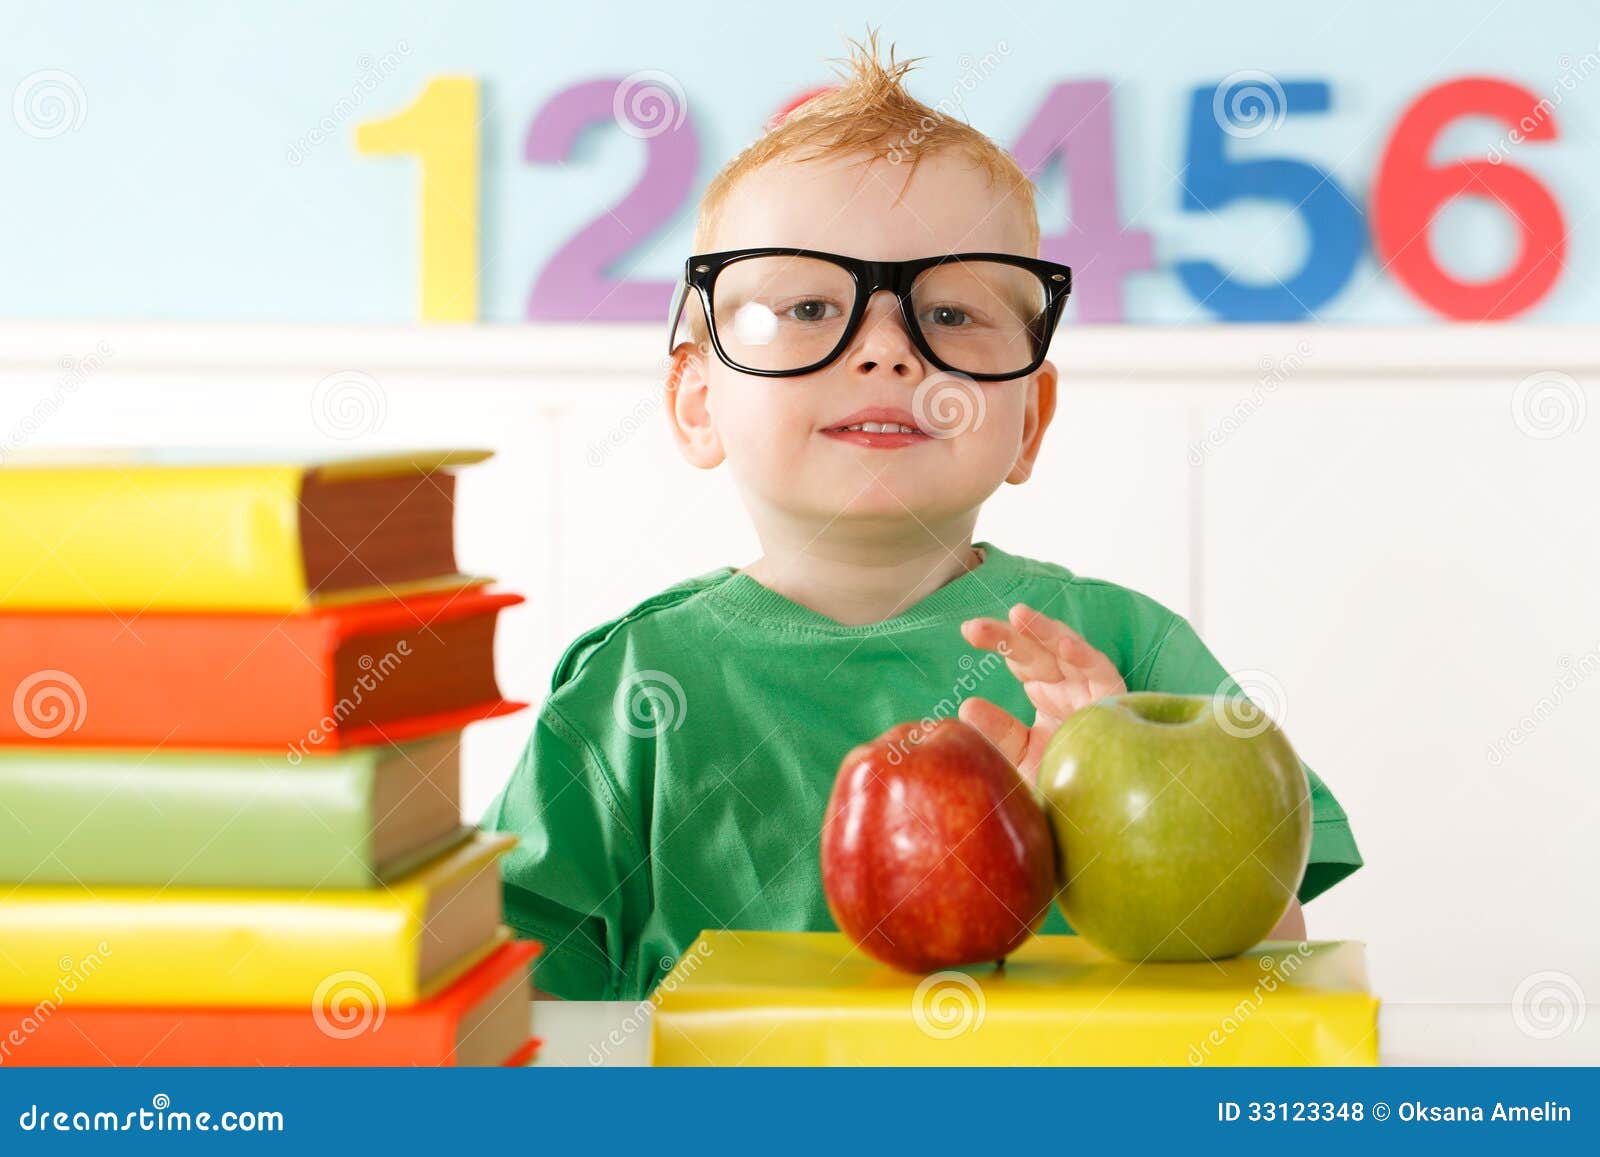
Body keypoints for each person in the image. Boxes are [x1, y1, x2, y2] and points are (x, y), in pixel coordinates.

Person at [482, 29, 1361, 1001]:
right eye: (809, 308)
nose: (887, 350)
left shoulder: (1122, 652)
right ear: (697, 403)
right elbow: (515, 1004)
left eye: (948, 314)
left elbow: (1265, 953)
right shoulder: (632, 687)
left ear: (1029, 418)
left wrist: (1123, 791)